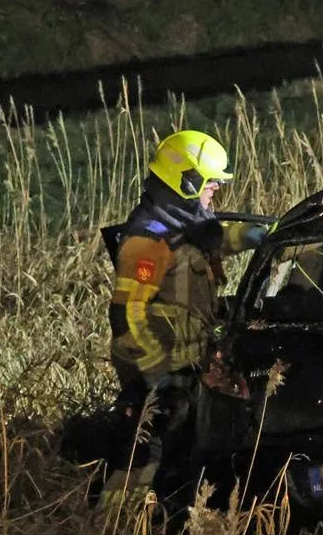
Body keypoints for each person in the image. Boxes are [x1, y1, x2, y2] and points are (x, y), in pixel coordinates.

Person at [105, 130, 266, 472]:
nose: (217, 187)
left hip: (190, 361)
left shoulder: (183, 221)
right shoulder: (147, 242)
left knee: (193, 449)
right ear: (187, 181)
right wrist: (157, 378)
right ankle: (124, 504)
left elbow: (208, 241)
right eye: (210, 180)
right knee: (150, 456)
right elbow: (126, 315)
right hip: (162, 368)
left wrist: (251, 235)